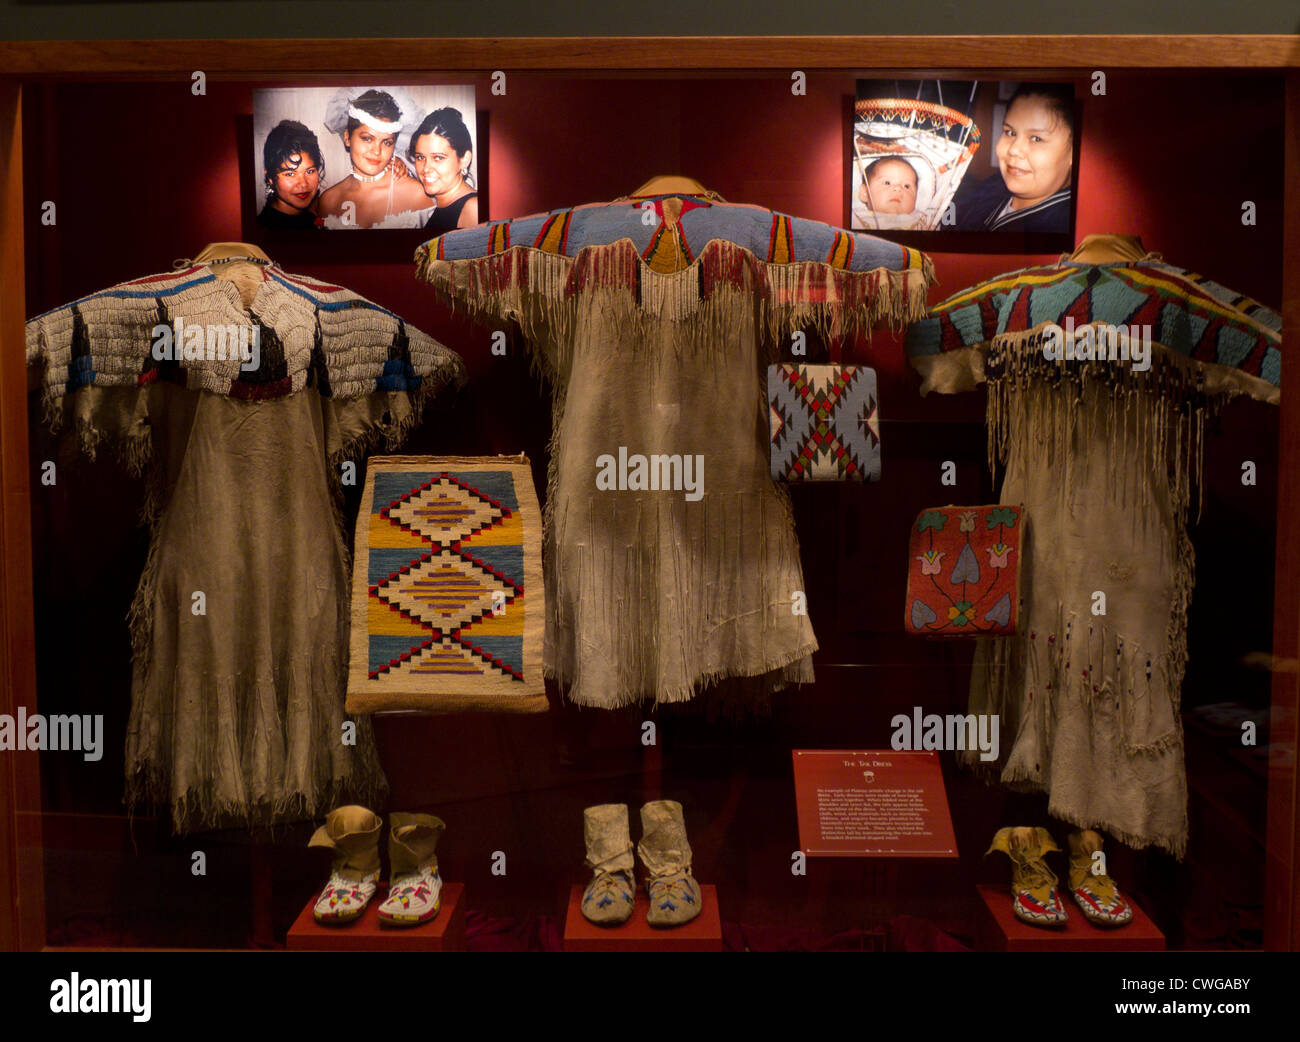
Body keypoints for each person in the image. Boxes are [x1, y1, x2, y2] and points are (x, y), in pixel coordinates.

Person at [953, 84, 1074, 232]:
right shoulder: (994, 184)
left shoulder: (1063, 225)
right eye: (1010, 132)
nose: (1014, 150)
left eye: (1036, 138)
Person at [318, 89, 430, 229]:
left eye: (387, 142)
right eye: (367, 139)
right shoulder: (329, 201)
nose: (377, 151)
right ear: (347, 138)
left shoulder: (416, 195)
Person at [409, 107, 479, 233]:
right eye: (420, 157)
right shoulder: (440, 203)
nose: (426, 168)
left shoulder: (473, 208)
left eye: (438, 158)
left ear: (464, 160)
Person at [258, 121, 324, 229]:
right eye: (290, 174)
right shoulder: (264, 228)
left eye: (309, 171)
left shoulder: (313, 220)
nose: (303, 184)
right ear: (270, 177)